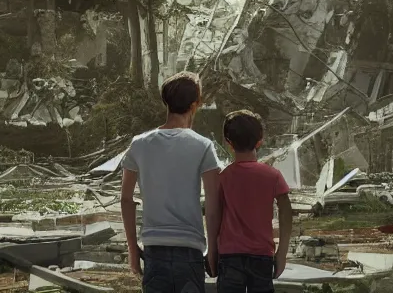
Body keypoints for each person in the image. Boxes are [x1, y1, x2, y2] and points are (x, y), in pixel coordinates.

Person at [120, 71, 222, 293]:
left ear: (165, 101)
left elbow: (126, 199)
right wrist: (213, 250)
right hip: (191, 249)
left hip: (154, 250)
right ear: (195, 104)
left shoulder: (139, 144)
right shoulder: (203, 146)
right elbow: (213, 205)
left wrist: (131, 248)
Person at [214, 110, 292, 293]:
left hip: (229, 256)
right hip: (261, 256)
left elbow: (215, 216)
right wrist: (282, 251)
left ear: (228, 143)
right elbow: (286, 211)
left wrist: (213, 250)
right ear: (260, 141)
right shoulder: (272, 175)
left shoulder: (223, 177)